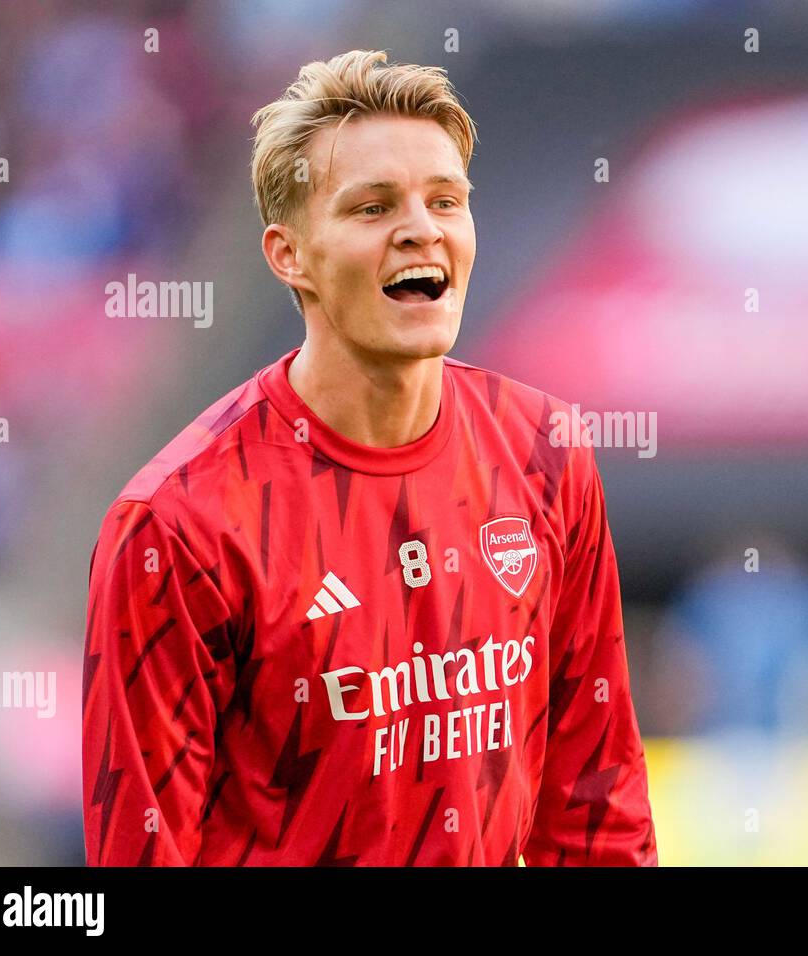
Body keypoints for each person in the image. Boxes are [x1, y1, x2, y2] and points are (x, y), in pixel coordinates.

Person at [81, 50, 656, 866]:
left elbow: (595, 803)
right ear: (289, 256)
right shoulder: (177, 523)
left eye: (445, 201)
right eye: (373, 207)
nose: (421, 228)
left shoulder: (545, 451)